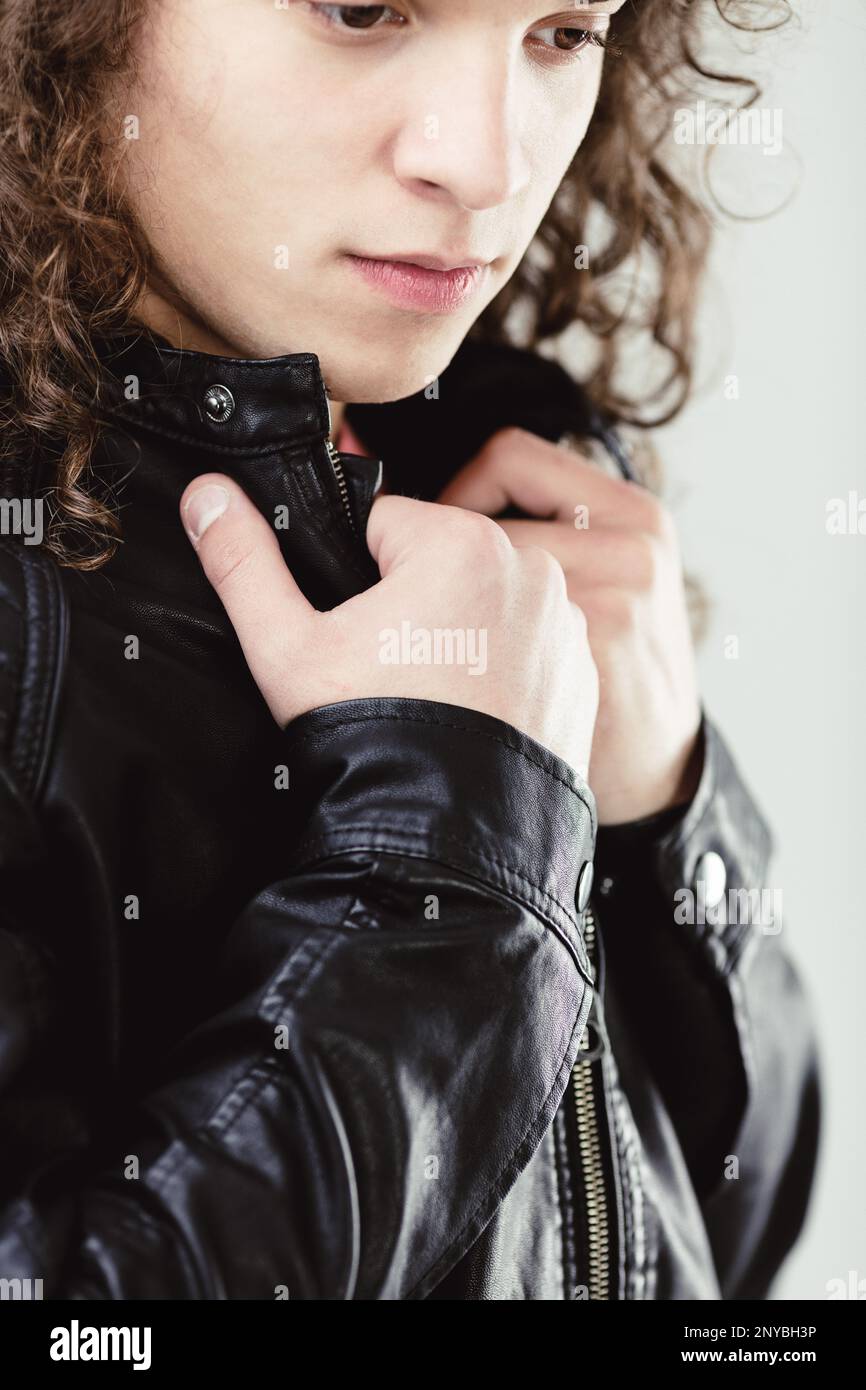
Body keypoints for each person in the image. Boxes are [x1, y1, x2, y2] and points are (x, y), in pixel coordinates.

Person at [0, 0, 819, 1299]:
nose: (488, 165)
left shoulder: (487, 474)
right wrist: (451, 853)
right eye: (360, 9)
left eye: (559, 32)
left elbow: (728, 1249)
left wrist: (664, 817)